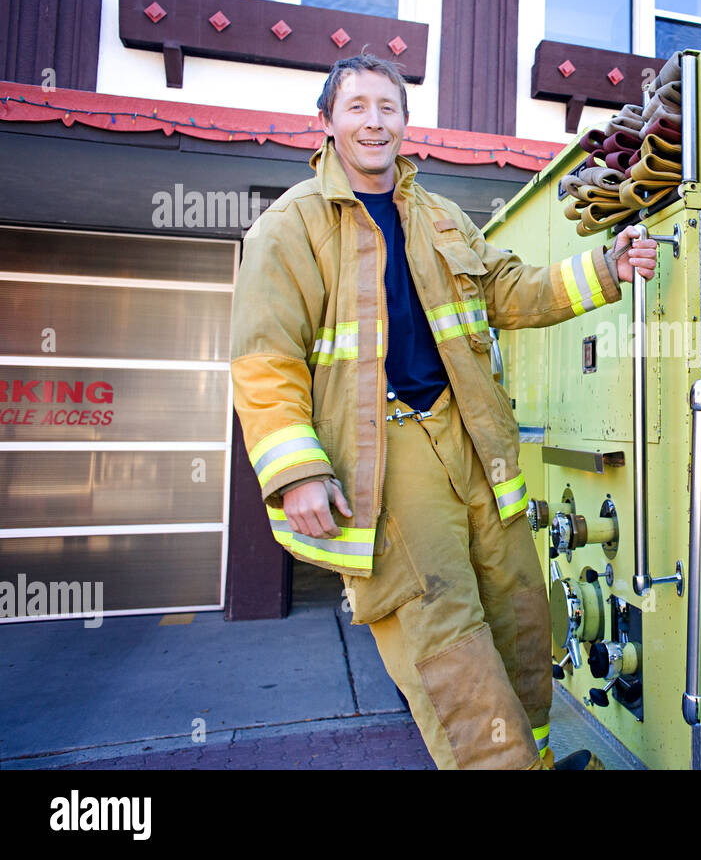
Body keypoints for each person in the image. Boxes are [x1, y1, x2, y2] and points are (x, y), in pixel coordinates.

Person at [229, 53, 657, 770]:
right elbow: (264, 361)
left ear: (404, 120)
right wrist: (296, 470)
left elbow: (511, 291)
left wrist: (607, 269)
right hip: (386, 461)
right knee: (445, 638)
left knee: (521, 620)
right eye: (357, 106)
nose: (374, 121)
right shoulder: (290, 227)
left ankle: (537, 759)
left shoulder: (439, 216)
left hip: (471, 445)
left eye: (387, 107)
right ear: (328, 122)